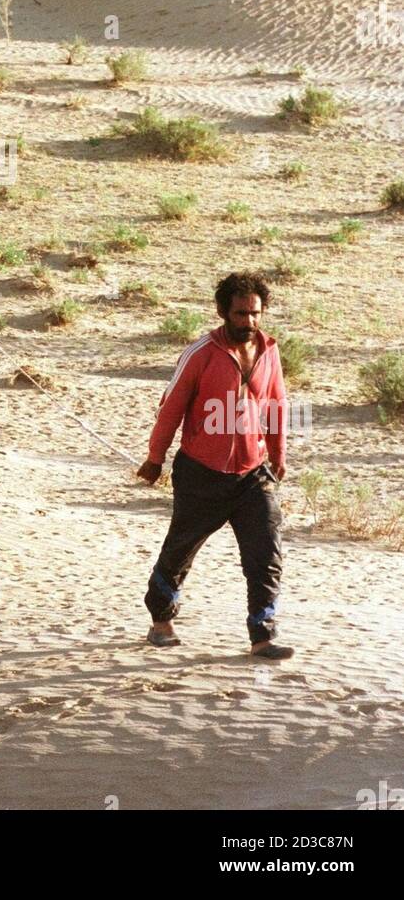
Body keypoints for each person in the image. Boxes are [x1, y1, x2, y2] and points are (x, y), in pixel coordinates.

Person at [137, 272, 293, 659]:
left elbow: (277, 405)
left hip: (253, 474)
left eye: (255, 313)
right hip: (201, 473)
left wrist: (278, 455)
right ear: (224, 311)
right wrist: (155, 459)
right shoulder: (201, 353)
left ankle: (263, 635)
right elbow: (171, 408)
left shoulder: (270, 351)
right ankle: (161, 621)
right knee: (180, 551)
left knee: (265, 555)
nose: (249, 322)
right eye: (240, 313)